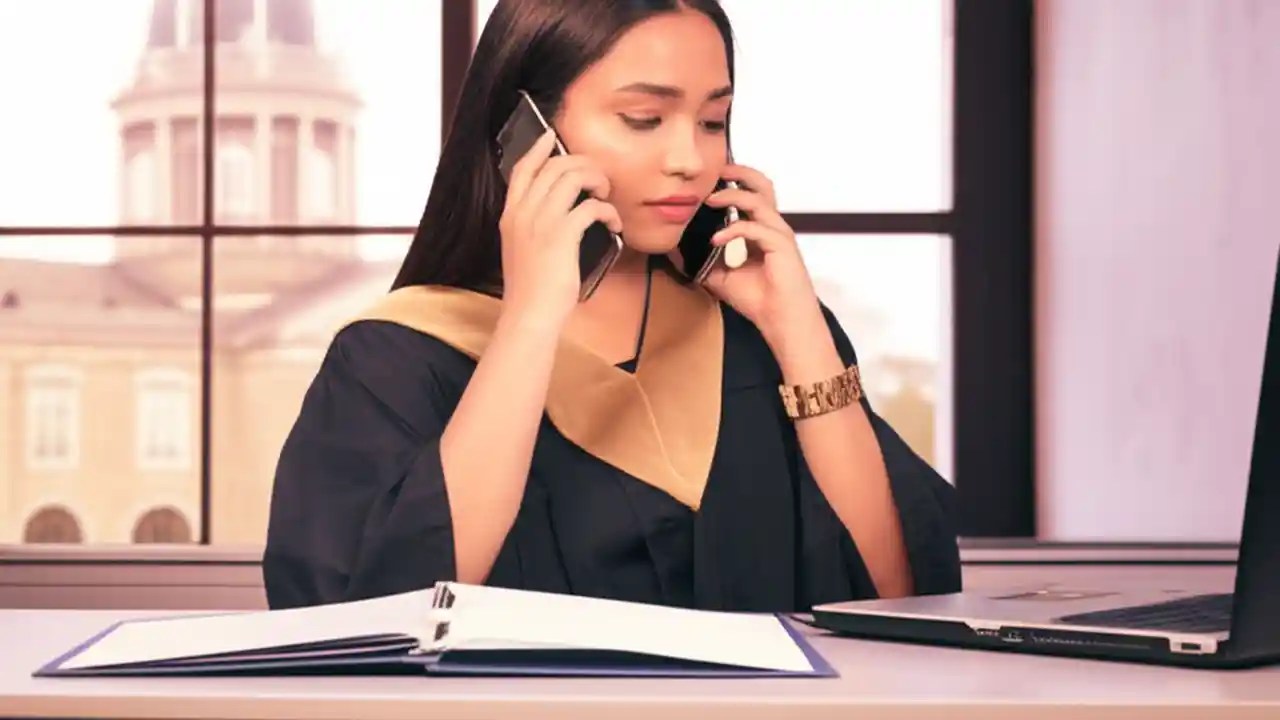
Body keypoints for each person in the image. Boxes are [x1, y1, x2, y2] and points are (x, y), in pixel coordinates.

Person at [262, 0, 962, 612]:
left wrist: (799, 330)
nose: (690, 158)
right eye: (643, 118)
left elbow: (897, 601)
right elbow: (369, 629)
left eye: (713, 120)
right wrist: (534, 316)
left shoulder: (760, 339)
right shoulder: (397, 359)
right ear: (527, 131)